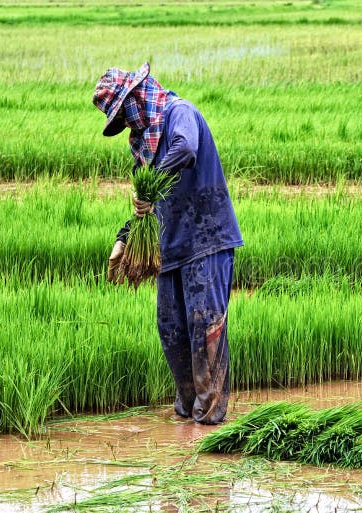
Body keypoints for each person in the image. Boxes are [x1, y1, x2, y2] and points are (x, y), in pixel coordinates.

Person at [92, 63, 243, 424]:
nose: (126, 124)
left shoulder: (179, 113)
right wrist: (124, 240)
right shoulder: (144, 145)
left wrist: (150, 185)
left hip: (206, 241)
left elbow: (186, 148)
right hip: (169, 249)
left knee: (204, 327)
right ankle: (187, 414)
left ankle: (209, 422)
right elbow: (148, 205)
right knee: (171, 331)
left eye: (123, 115)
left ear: (136, 99)